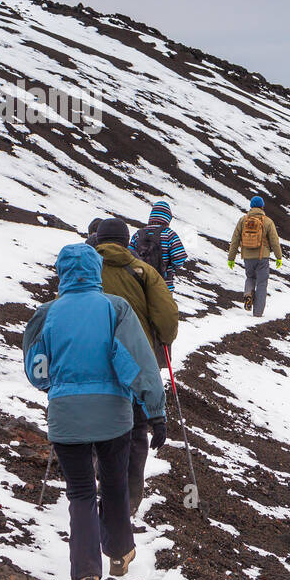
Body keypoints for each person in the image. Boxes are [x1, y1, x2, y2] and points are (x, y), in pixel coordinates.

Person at [22, 243, 166, 580]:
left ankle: (85, 576)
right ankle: (119, 554)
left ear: (62, 273)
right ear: (96, 270)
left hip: (67, 414)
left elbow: (36, 370)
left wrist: (57, 386)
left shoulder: (47, 314)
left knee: (81, 492)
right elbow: (140, 361)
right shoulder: (114, 308)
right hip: (113, 414)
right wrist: (155, 410)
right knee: (114, 483)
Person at [92, 218, 178, 514]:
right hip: (135, 362)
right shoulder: (145, 273)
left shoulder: (84, 270)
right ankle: (127, 499)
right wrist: (164, 340)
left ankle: (100, 474)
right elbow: (166, 318)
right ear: (127, 240)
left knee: (98, 420)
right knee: (136, 429)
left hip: (92, 361)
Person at [227, 195, 283, 316]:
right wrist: (279, 257)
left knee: (250, 277)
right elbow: (274, 240)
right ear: (262, 206)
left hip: (247, 257)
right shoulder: (267, 221)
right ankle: (257, 313)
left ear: (251, 206)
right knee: (262, 283)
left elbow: (235, 239)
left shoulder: (243, 220)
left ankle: (248, 294)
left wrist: (231, 258)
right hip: (262, 257)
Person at [129, 200, 189, 292]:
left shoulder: (138, 235)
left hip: (138, 285)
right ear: (167, 218)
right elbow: (179, 259)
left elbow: (129, 256)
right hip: (162, 287)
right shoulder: (170, 235)